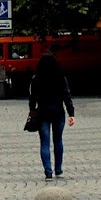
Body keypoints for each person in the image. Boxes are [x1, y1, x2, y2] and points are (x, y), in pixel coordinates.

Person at [28, 52, 75, 180]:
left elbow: (32, 98)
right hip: (58, 112)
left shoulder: (36, 78)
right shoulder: (60, 77)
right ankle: (58, 169)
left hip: (43, 112)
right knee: (58, 140)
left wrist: (32, 110)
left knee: (44, 143)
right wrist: (71, 113)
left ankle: (48, 171)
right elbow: (67, 95)